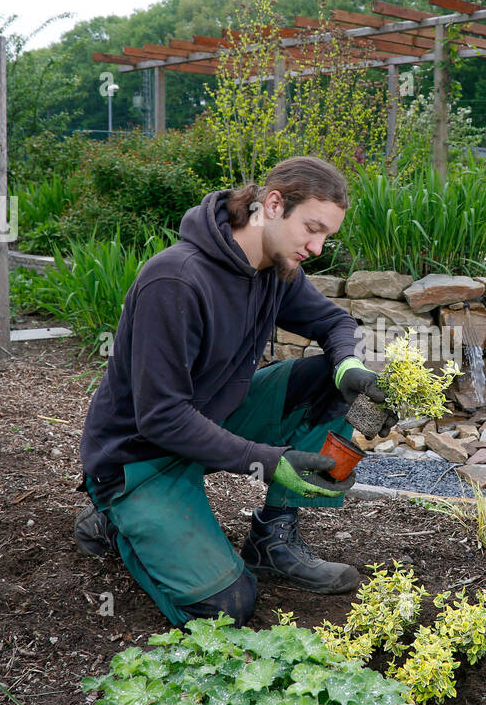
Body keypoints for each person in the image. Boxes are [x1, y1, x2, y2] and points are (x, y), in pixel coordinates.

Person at [72, 156, 393, 628]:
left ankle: (274, 540)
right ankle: (117, 521)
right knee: (227, 608)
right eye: (312, 228)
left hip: (209, 425)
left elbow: (334, 321)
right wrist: (270, 459)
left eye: (327, 235)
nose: (318, 246)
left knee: (340, 382)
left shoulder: (275, 268)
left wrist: (347, 367)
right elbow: (161, 417)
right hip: (139, 459)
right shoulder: (176, 280)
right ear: (274, 203)